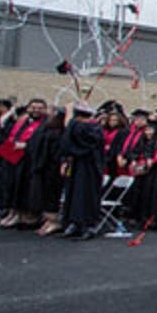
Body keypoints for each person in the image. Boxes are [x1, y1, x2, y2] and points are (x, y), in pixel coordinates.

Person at [0, 99, 47, 228]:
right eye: (33, 107)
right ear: (28, 108)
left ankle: (22, 214)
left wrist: (26, 145)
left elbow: (41, 142)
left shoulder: (45, 124)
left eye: (40, 108)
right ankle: (13, 212)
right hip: (14, 158)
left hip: (29, 161)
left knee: (23, 188)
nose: (36, 110)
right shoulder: (22, 121)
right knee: (11, 185)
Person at [60, 102, 105, 240]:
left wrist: (70, 119)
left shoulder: (92, 129)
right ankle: (74, 223)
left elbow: (77, 138)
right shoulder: (88, 128)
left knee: (85, 195)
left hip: (89, 167)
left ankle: (87, 225)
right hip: (76, 166)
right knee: (73, 194)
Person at [23, 107, 66, 236]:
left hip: (52, 168)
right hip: (44, 167)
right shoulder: (47, 130)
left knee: (52, 196)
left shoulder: (58, 133)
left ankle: (54, 221)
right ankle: (48, 220)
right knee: (46, 195)